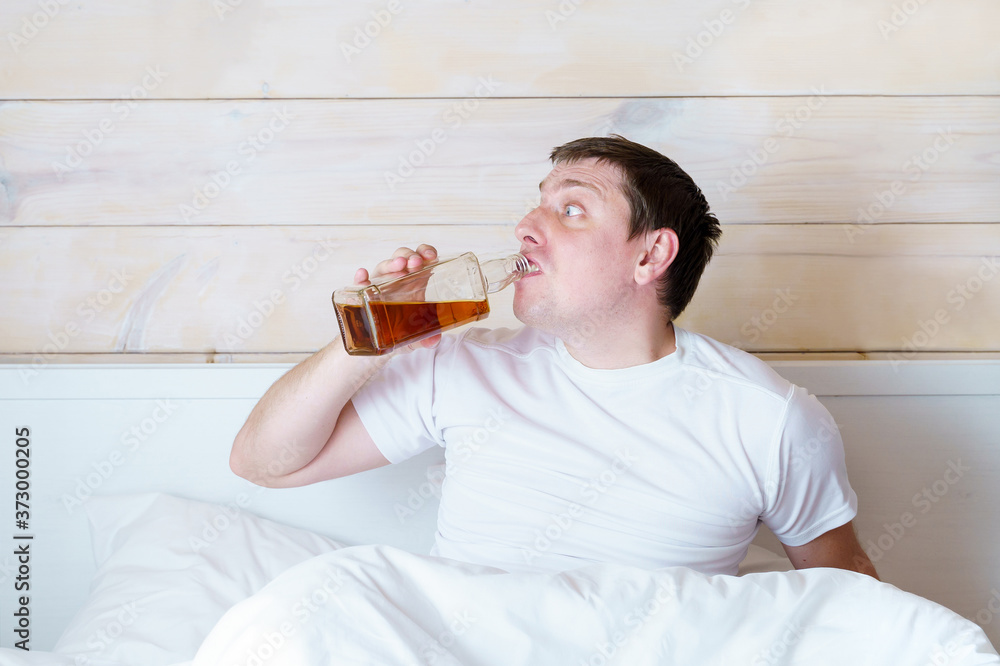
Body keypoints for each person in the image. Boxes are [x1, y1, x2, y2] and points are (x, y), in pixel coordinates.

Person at [230, 135, 879, 579]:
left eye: (571, 208)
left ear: (650, 256)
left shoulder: (769, 419)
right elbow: (262, 463)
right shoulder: (461, 367)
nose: (526, 225)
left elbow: (849, 596)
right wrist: (367, 342)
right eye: (538, 202)